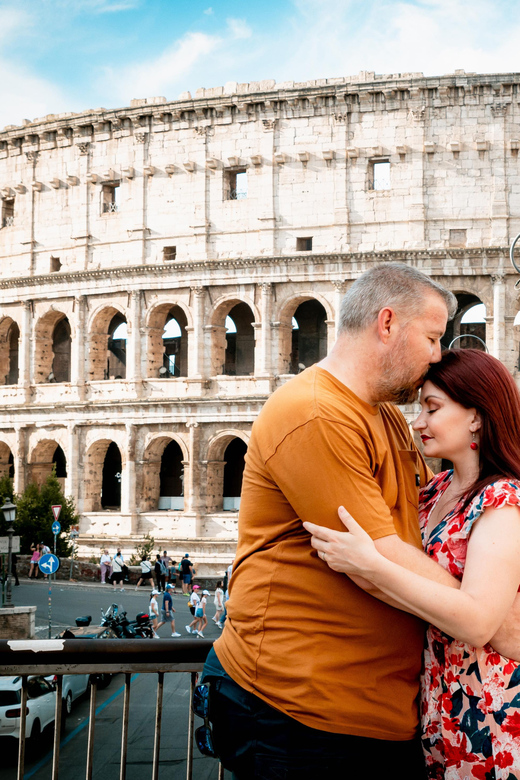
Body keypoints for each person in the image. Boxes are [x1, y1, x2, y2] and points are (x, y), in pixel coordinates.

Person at [201, 263, 461, 779]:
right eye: (432, 337)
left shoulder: (382, 411)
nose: (439, 354)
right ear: (387, 323)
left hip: (357, 711)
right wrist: (495, 621)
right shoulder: (318, 412)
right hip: (298, 713)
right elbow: (379, 559)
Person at [305, 348, 520, 778]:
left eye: (432, 408)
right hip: (440, 702)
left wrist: (371, 565)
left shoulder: (504, 500)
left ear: (477, 416)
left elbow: (478, 623)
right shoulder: (433, 492)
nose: (418, 421)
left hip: (491, 710)